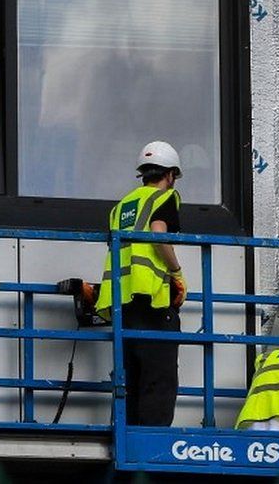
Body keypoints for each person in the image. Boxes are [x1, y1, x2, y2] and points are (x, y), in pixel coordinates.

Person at [95, 141, 188, 426]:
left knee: (130, 376)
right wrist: (176, 272)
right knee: (158, 377)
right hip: (151, 298)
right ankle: (153, 442)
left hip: (122, 301)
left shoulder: (122, 205)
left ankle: (129, 435)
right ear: (170, 174)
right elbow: (158, 233)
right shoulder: (164, 198)